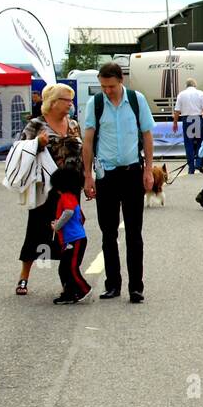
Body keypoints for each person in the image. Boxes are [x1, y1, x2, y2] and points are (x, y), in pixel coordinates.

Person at [82, 62, 155, 304]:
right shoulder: (97, 103)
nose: (107, 90)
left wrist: (148, 170)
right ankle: (112, 284)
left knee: (134, 232)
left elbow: (146, 135)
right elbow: (89, 140)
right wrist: (88, 175)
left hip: (132, 172)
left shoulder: (136, 100)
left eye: (111, 86)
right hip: (107, 175)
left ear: (121, 80)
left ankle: (136, 287)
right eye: (103, 86)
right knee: (108, 232)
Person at [16, 83, 82, 296]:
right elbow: (19, 150)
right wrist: (37, 143)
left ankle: (68, 280)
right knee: (36, 231)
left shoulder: (73, 124)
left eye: (71, 100)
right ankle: (24, 277)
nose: (70, 104)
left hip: (70, 189)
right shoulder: (36, 125)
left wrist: (89, 180)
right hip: (44, 188)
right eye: (66, 100)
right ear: (53, 102)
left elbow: (83, 153)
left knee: (70, 234)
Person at [48, 165, 92, 304]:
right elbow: (81, 217)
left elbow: (68, 212)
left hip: (75, 240)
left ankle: (84, 289)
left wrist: (57, 226)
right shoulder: (72, 197)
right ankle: (69, 292)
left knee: (71, 267)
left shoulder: (66, 197)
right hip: (72, 239)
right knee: (64, 268)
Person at [173, 77, 203, 175]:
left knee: (188, 144)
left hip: (187, 119)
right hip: (197, 119)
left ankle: (191, 167)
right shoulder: (200, 93)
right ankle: (198, 162)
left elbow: (177, 110)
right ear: (195, 85)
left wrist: (175, 123)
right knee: (200, 142)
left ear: (186, 85)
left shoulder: (181, 94)